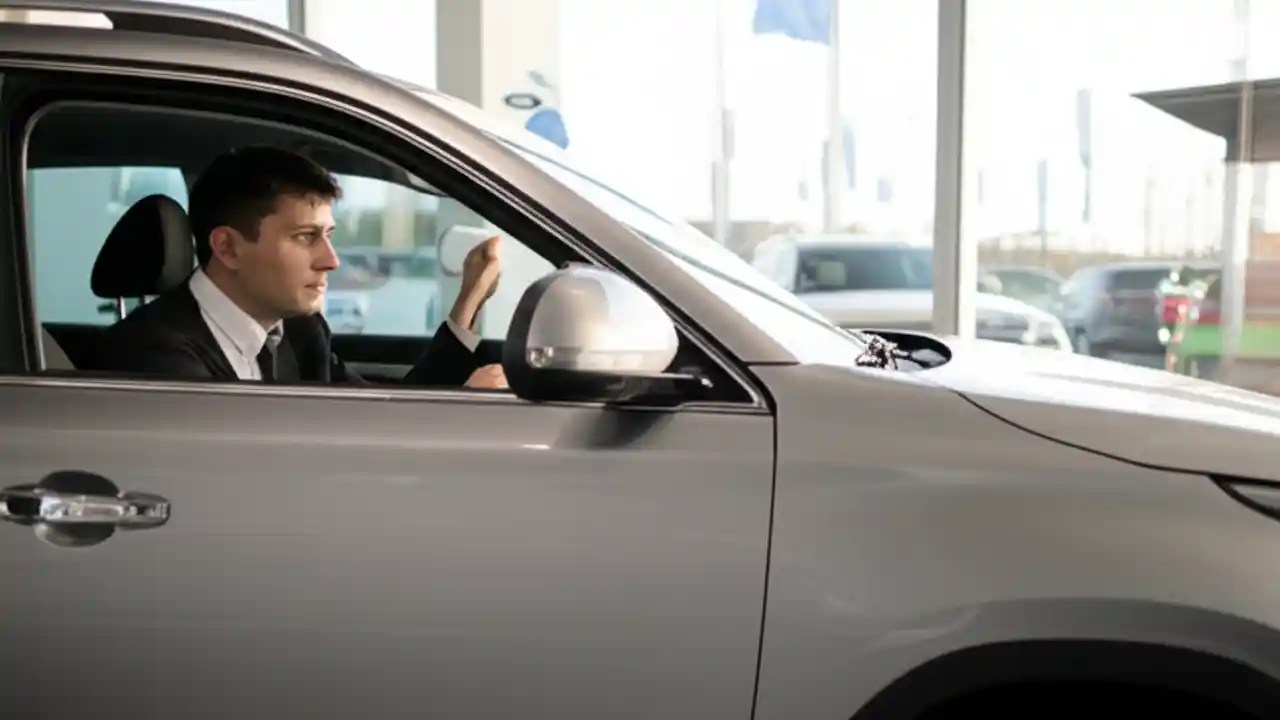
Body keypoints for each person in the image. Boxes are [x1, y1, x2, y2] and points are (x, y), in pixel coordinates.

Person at [103, 145, 507, 389]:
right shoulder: (151, 356)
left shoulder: (299, 332)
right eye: (304, 237)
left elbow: (377, 416)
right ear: (227, 247)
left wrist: (470, 299)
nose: (330, 260)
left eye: (328, 234)